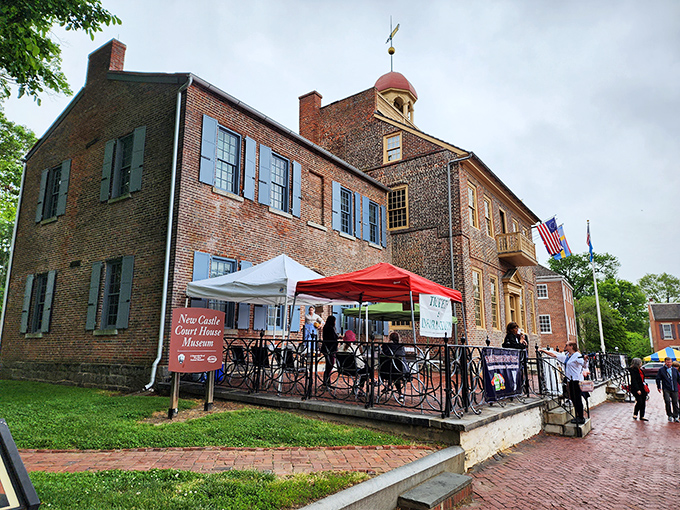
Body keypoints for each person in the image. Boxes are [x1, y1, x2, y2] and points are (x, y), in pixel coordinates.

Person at [540, 341, 586, 424]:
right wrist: (543, 351)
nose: (565, 346)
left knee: (577, 399)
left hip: (577, 380)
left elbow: (584, 365)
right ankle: (577, 416)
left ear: (571, 346)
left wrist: (586, 361)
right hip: (570, 380)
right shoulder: (567, 356)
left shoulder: (577, 355)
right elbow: (554, 355)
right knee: (573, 399)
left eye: (567, 345)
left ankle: (581, 417)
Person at [337, 330, 370, 395]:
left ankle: (360, 387)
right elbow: (360, 362)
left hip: (343, 370)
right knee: (366, 369)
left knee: (365, 368)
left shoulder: (340, 348)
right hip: (354, 370)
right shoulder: (354, 348)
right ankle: (361, 389)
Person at [381, 331, 408, 403]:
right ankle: (400, 394)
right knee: (395, 373)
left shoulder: (386, 346)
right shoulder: (400, 347)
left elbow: (383, 355)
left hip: (385, 372)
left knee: (391, 370)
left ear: (390, 338)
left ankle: (388, 387)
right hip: (399, 373)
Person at [655, 357, 680, 422]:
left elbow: (678, 378)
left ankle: (676, 416)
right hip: (666, 388)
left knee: (675, 402)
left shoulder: (674, 370)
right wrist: (659, 387)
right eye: (668, 362)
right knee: (667, 401)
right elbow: (658, 378)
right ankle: (669, 415)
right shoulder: (661, 370)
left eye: (670, 362)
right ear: (665, 362)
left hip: (674, 388)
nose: (669, 364)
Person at [320, 315, 340, 389]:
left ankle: (327, 382)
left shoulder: (326, 328)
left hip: (326, 348)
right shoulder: (330, 328)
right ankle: (326, 382)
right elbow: (333, 338)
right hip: (330, 349)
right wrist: (337, 338)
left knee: (329, 365)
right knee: (330, 365)